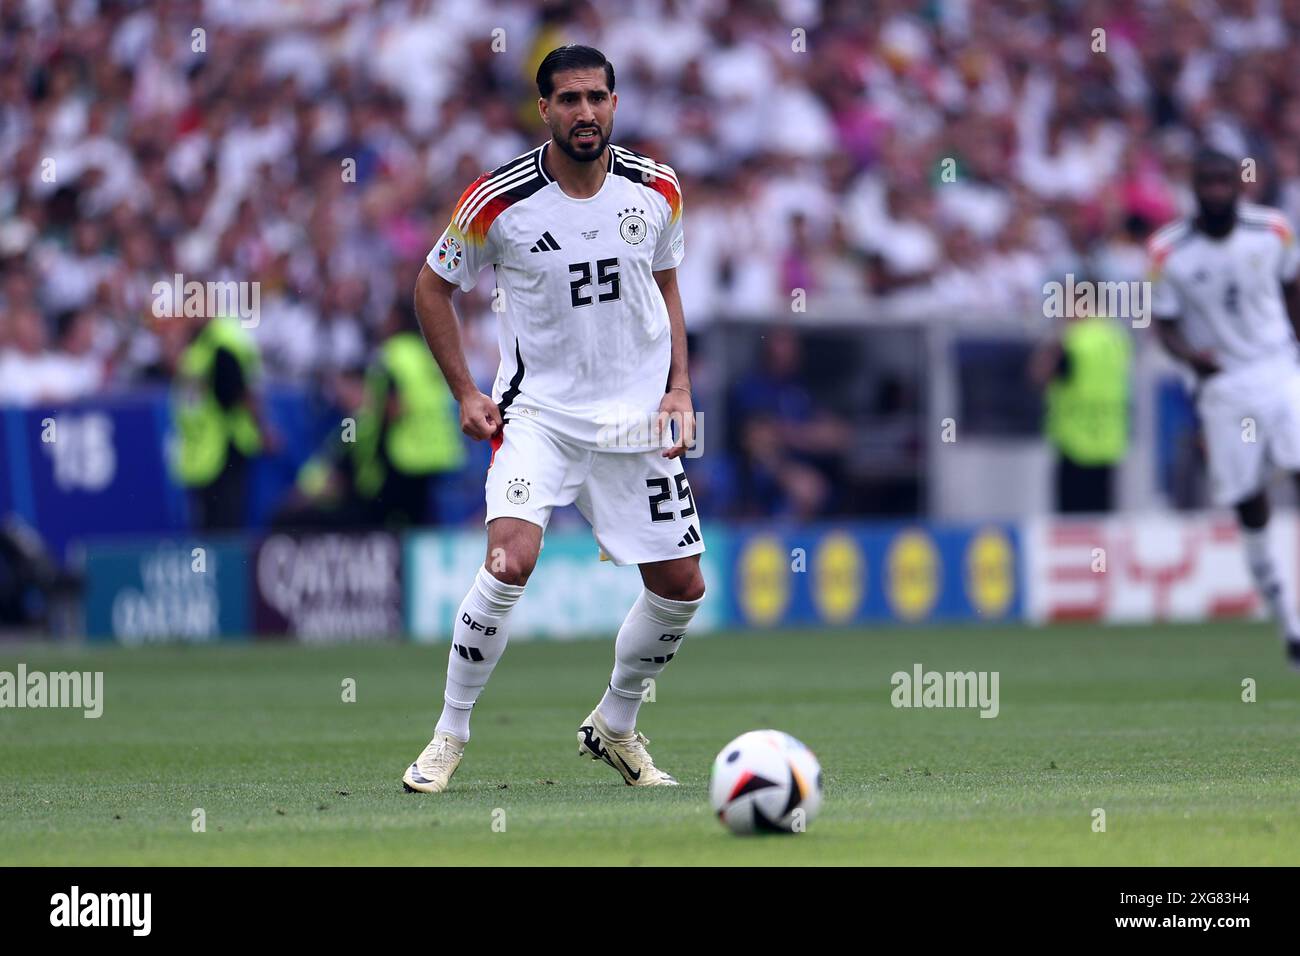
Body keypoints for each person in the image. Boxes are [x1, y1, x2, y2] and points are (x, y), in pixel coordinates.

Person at [402, 44, 705, 792]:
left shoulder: (657, 187)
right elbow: (431, 290)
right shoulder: (496, 202)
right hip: (538, 416)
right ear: (544, 110)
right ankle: (450, 734)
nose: (585, 113)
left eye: (597, 98)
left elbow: (666, 288)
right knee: (510, 558)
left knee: (683, 585)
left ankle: (617, 722)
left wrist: (680, 389)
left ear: (614, 103)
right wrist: (466, 393)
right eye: (568, 100)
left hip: (635, 420)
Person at [1150, 148, 1300, 668]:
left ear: (1240, 185)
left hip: (1280, 368)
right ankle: (1290, 624)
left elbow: (1291, 291)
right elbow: (1162, 322)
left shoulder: (1274, 230)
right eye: (1205, 182)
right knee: (1248, 502)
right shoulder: (1168, 251)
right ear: (1194, 188)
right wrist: (1192, 358)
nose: (1215, 191)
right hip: (1224, 386)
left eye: (1223, 181)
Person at [351, 303, 465, 527]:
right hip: (438, 449)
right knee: (424, 518)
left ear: (395, 321)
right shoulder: (427, 353)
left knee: (386, 513)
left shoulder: (391, 354)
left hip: (406, 451)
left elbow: (394, 408)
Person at [1030, 305, 1132, 513]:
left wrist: (1054, 340)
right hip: (1108, 438)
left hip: (1074, 441)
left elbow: (1039, 376)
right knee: (1101, 517)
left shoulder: (1072, 341)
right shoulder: (1116, 337)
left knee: (1073, 522)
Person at [171, 314, 267, 531]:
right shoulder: (209, 348)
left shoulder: (208, 350)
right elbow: (239, 395)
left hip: (212, 449)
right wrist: (264, 428)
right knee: (221, 523)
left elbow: (234, 394)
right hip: (214, 449)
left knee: (216, 524)